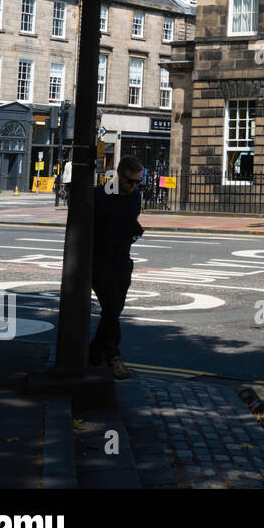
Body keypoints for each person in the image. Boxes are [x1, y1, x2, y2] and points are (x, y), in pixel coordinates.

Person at [89, 155, 145, 380]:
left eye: (138, 182)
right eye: (130, 181)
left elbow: (130, 220)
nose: (134, 187)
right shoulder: (101, 196)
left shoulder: (135, 197)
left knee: (114, 310)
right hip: (99, 261)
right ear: (118, 175)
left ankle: (93, 353)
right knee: (111, 307)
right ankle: (113, 357)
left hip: (122, 260)